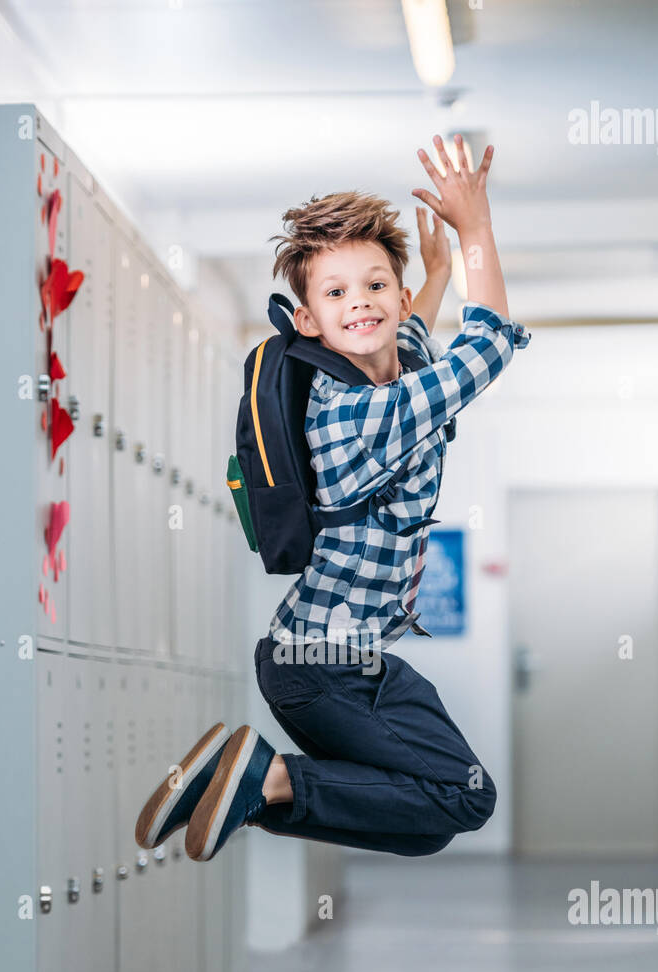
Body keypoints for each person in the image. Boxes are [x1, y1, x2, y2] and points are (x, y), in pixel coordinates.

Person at [135, 133, 530, 862]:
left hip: (340, 661)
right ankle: (267, 778)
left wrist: (436, 271)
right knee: (464, 795)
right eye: (337, 293)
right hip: (320, 669)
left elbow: (406, 337)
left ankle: (233, 791)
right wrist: (474, 229)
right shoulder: (361, 413)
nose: (360, 304)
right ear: (308, 320)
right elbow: (490, 342)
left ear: (399, 294)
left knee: (430, 823)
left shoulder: (386, 376)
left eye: (375, 285)